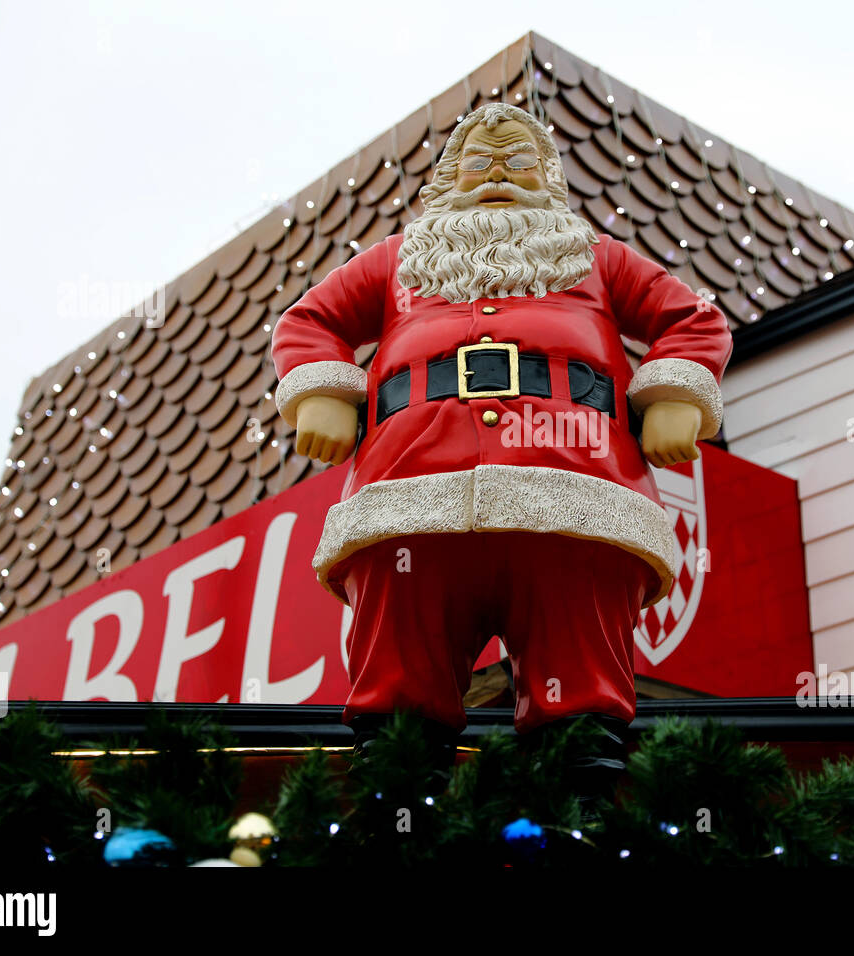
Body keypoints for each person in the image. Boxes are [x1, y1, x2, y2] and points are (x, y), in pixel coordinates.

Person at [270, 101, 732, 791]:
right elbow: (310, 320)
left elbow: (691, 319)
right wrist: (320, 394)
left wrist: (674, 396)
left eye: (519, 163)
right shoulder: (397, 263)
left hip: (576, 501)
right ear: (446, 181)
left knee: (581, 695)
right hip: (409, 505)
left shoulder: (599, 259)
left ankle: (579, 822)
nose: (498, 176)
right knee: (397, 698)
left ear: (548, 178)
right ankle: (398, 822)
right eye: (477, 164)